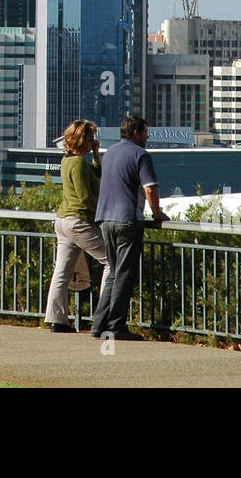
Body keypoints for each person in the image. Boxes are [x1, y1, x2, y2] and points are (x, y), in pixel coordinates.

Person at [91, 115, 167, 340]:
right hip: (127, 220)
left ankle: (98, 324)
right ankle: (115, 328)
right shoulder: (141, 155)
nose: (147, 137)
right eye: (145, 132)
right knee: (124, 275)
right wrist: (157, 213)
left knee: (114, 273)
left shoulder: (110, 152)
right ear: (136, 133)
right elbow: (150, 188)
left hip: (105, 219)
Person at [43, 119, 110, 333]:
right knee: (112, 261)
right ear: (81, 139)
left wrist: (96, 156)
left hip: (63, 220)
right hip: (78, 220)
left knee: (61, 271)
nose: (93, 141)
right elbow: (84, 197)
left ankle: (57, 320)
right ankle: (104, 317)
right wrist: (104, 210)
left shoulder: (68, 160)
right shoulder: (78, 163)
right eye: (91, 138)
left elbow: (96, 174)